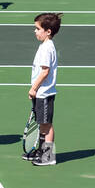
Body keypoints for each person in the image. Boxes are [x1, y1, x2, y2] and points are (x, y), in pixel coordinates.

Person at [26, 12, 60, 166]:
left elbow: (45, 72)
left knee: (46, 125)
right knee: (42, 124)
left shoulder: (47, 48)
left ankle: (48, 156)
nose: (35, 31)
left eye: (38, 29)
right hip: (40, 93)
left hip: (44, 93)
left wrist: (34, 88)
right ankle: (41, 151)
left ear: (48, 31)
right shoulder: (44, 46)